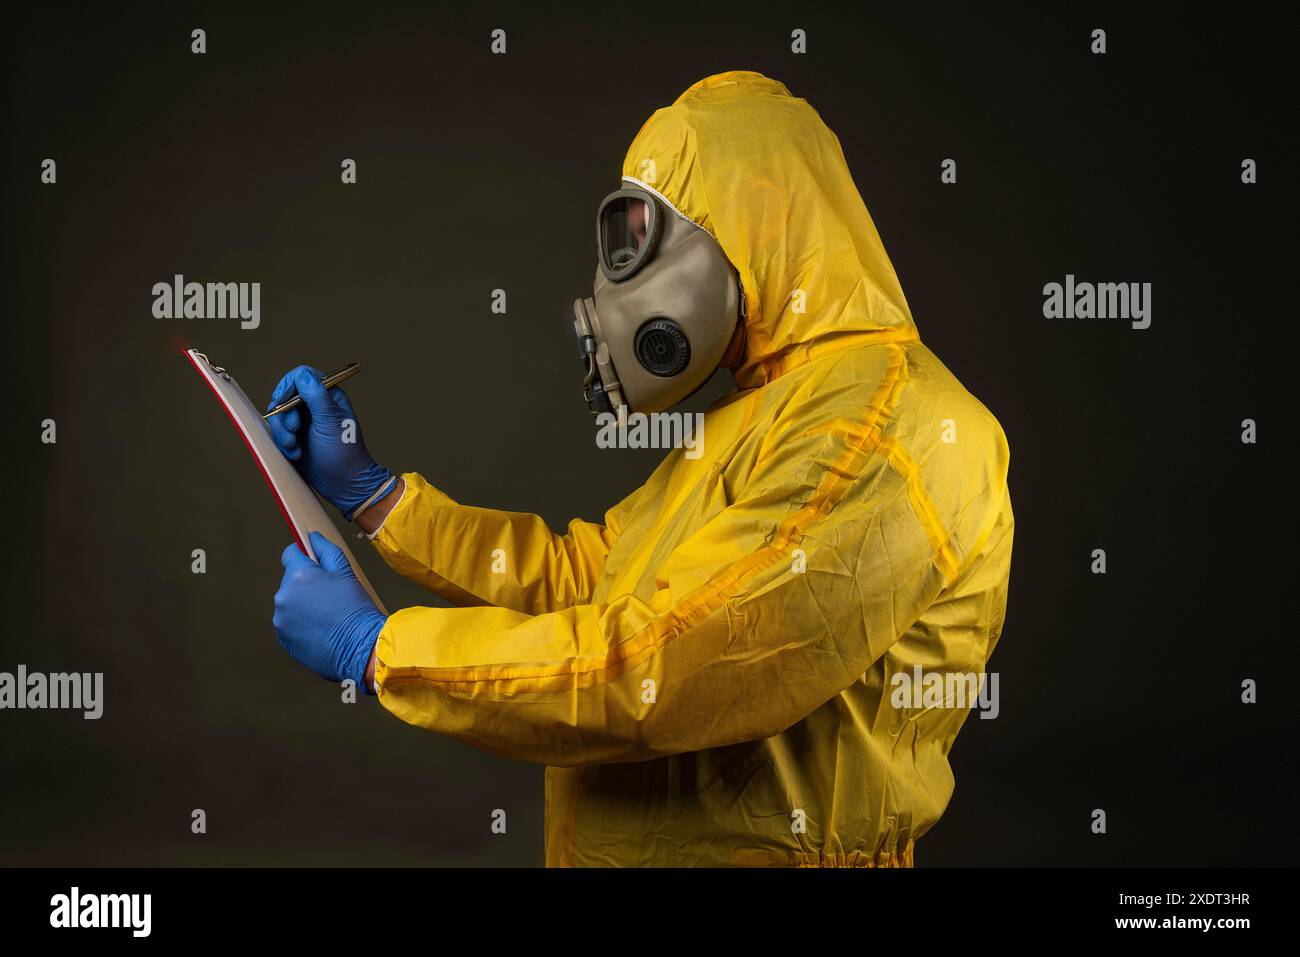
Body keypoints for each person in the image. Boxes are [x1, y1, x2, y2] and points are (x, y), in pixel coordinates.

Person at [268, 71, 1013, 867]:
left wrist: (380, 650)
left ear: (759, 221)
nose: (615, 287)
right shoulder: (764, 415)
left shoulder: (893, 429)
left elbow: (658, 668)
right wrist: (381, 499)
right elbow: (591, 577)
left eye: (644, 243)